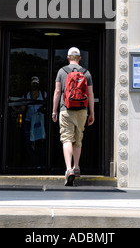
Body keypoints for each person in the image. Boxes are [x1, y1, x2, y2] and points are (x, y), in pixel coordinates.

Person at [52, 47, 95, 186]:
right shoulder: (86, 73)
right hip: (82, 110)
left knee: (66, 138)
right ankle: (77, 166)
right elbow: (90, 94)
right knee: (78, 138)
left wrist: (54, 111)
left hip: (66, 109)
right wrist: (92, 112)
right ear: (80, 58)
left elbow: (57, 92)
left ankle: (68, 169)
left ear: (68, 57)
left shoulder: (61, 71)